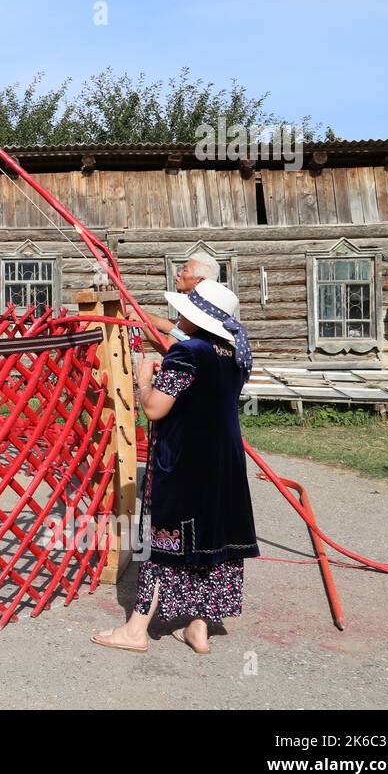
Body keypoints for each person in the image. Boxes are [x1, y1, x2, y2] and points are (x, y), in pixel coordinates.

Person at [91, 278, 259, 655]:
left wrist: (142, 381)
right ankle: (199, 627)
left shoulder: (189, 353)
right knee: (213, 543)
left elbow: (154, 408)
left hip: (185, 463)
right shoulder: (235, 353)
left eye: (186, 309)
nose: (179, 314)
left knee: (162, 540)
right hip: (225, 463)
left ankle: (136, 631)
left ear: (198, 317)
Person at [129, 251, 220, 353]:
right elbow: (174, 326)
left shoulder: (196, 310)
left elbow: (169, 348)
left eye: (185, 270)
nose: (179, 273)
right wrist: (140, 314)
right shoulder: (207, 305)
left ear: (200, 281)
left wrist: (144, 325)